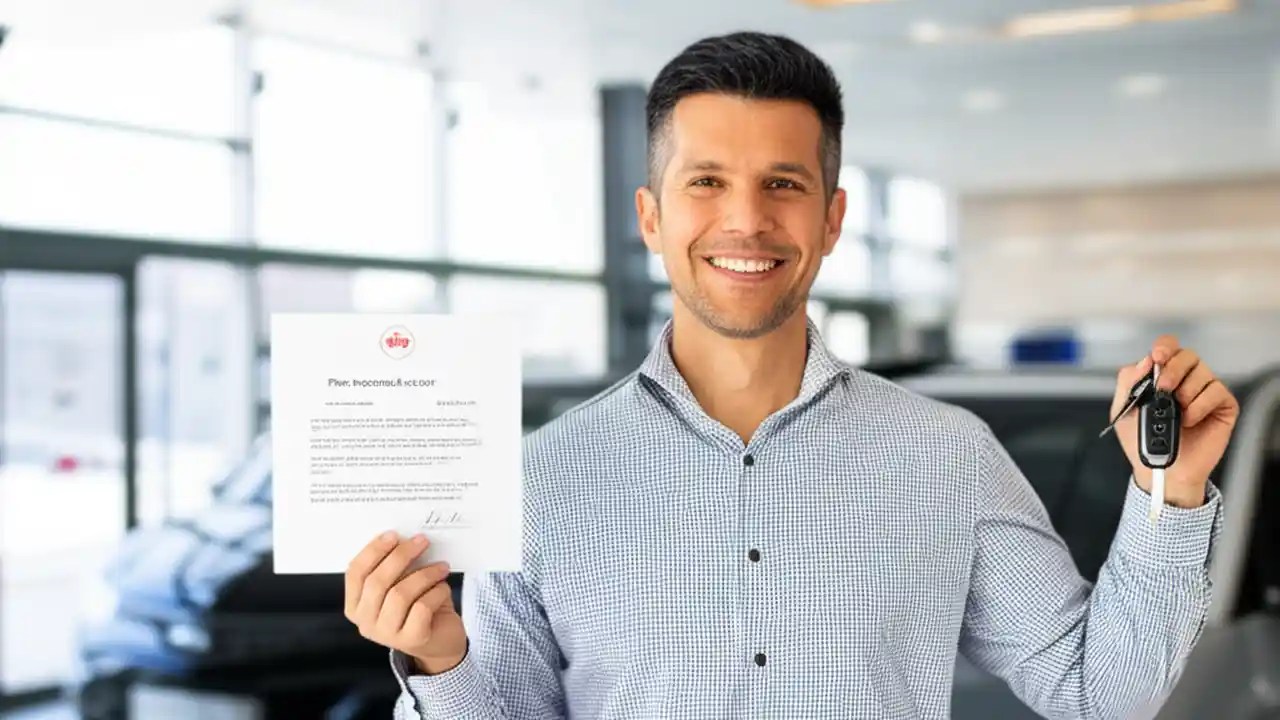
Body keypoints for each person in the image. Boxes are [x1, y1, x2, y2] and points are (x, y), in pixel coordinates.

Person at [343, 31, 1239, 719]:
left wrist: (1175, 490)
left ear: (833, 215)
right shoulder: (540, 478)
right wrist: (436, 661)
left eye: (782, 183)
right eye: (706, 183)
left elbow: (1100, 695)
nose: (746, 220)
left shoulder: (949, 456)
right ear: (650, 217)